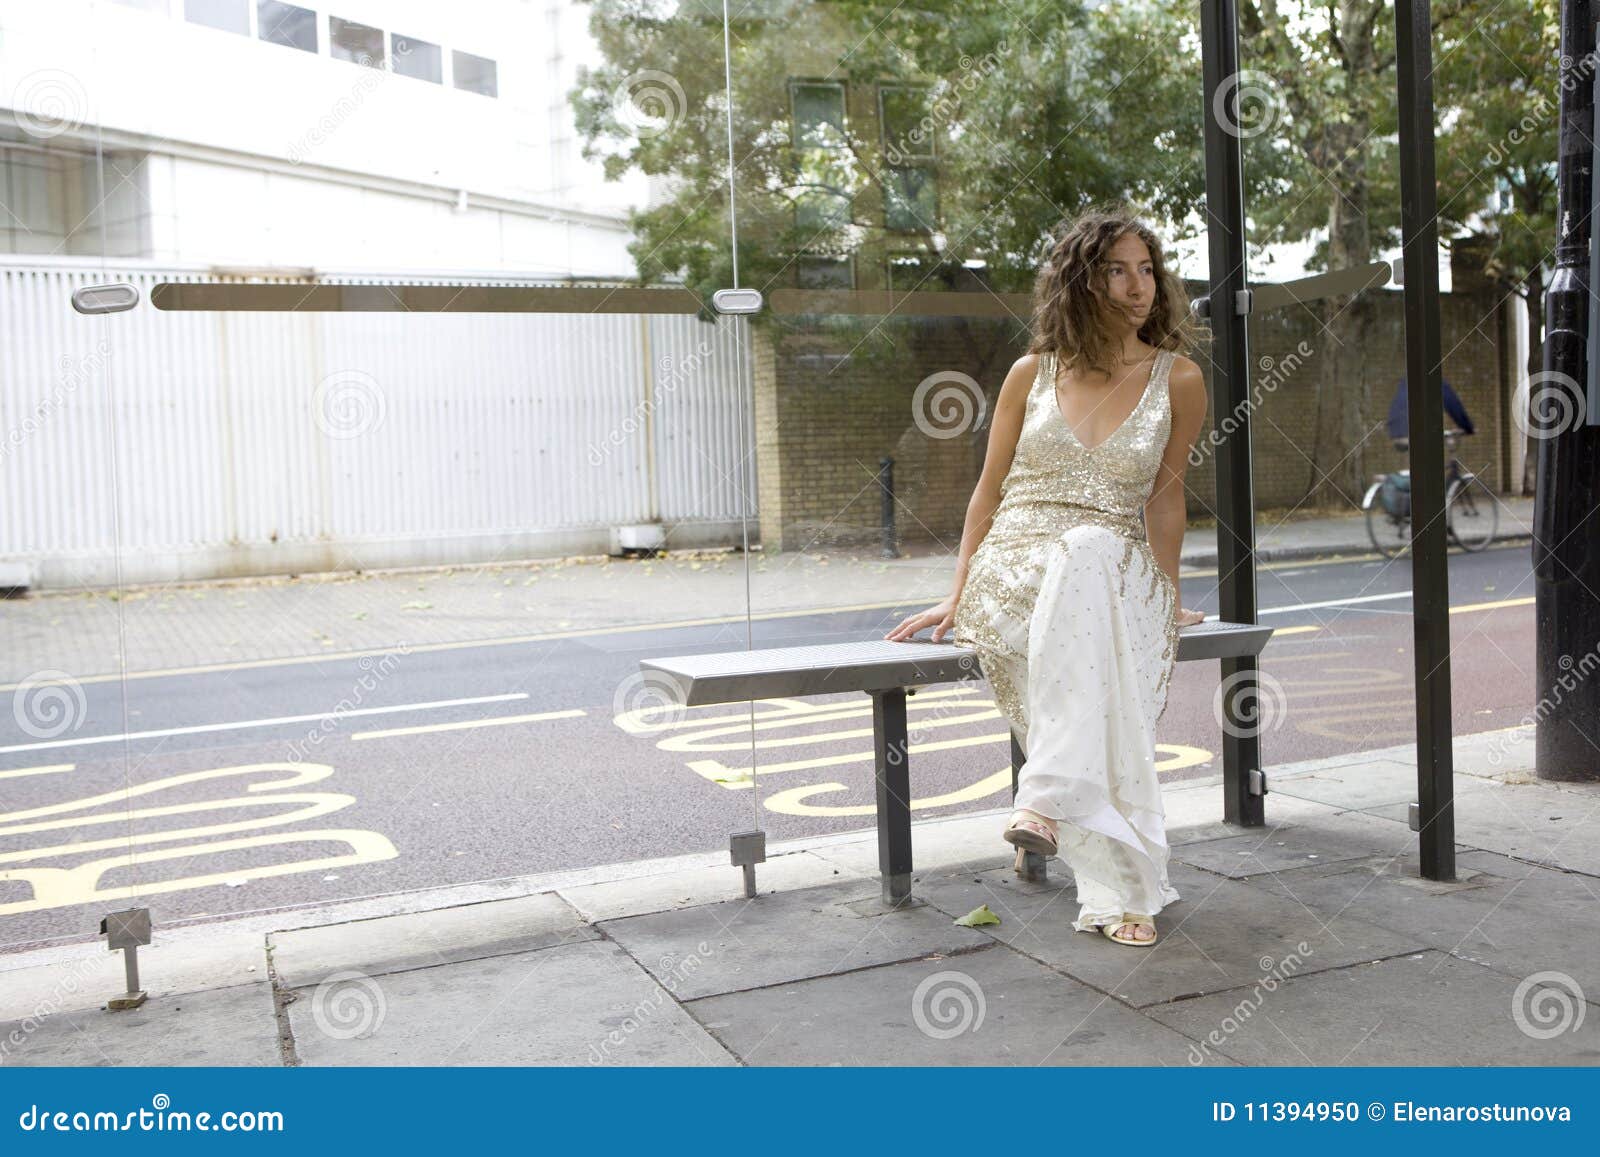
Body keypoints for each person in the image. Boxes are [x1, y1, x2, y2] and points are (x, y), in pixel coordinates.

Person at [884, 207, 1208, 947]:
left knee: (1091, 550)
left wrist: (1167, 599)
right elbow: (987, 492)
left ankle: (1048, 799)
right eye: (1117, 270)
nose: (1138, 286)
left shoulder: (1178, 378)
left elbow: (1165, 499)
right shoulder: (1031, 373)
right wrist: (959, 590)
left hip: (1111, 568)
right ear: (1081, 281)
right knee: (1100, 677)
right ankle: (1124, 890)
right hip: (1012, 577)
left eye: (1147, 269)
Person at [1386, 376, 1475, 447]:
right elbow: (1454, 406)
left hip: (1397, 435)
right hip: (1414, 436)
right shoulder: (1437, 382)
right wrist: (1467, 428)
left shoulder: (1405, 384)